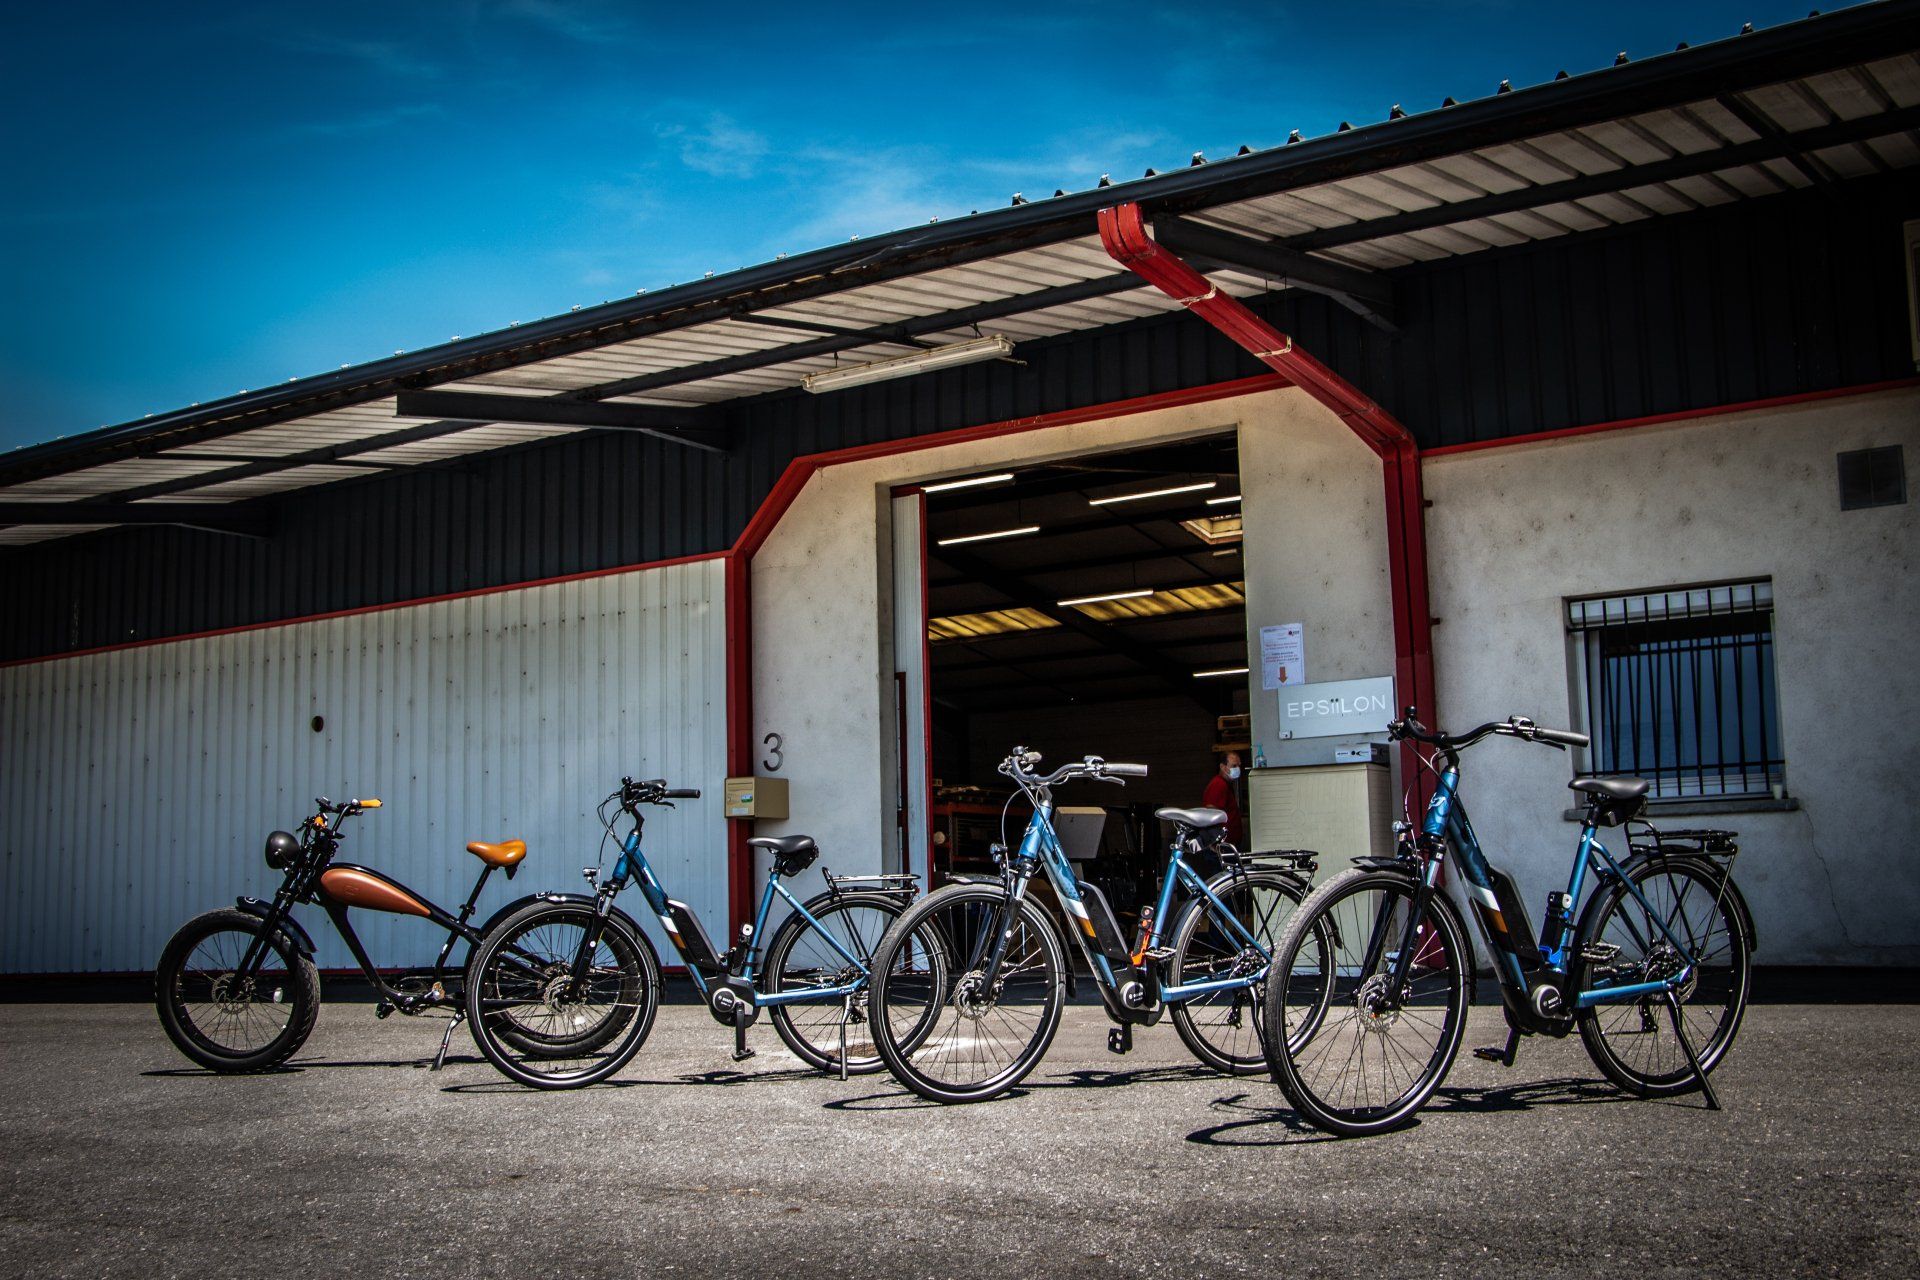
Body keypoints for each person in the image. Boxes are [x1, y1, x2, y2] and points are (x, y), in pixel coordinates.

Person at [1201, 751, 1247, 850]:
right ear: (1222, 767)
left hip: (1227, 845)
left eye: (1239, 766)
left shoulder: (1225, 785)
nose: (1238, 769)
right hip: (1221, 847)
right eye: (1234, 766)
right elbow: (1210, 814)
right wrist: (1214, 842)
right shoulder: (1218, 785)